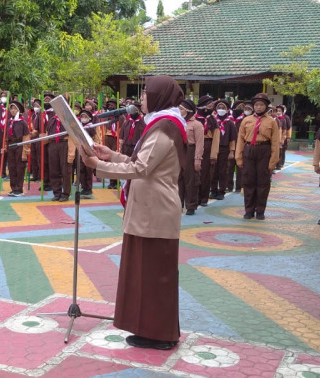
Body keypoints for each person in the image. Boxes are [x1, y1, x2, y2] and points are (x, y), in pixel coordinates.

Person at [81, 75, 186, 351]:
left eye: (146, 93)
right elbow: (140, 162)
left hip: (155, 212)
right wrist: (111, 155)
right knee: (144, 274)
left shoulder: (165, 127)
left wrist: (97, 166)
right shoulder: (160, 124)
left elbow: (141, 168)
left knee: (155, 275)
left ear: (159, 96)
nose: (141, 99)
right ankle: (149, 330)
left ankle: (160, 334)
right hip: (148, 210)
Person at [235, 93, 280, 220]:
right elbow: (240, 140)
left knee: (263, 182)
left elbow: (275, 142)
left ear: (266, 107)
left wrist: (273, 161)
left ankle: (260, 210)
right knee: (248, 181)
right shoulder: (246, 120)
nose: (258, 107)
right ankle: (249, 210)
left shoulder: (272, 122)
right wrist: (238, 157)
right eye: (256, 105)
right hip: (249, 150)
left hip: (264, 150)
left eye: (261, 105)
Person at [178, 99, 203, 215]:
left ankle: (191, 205)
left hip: (190, 151)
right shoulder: (178, 122)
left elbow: (199, 143)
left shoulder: (196, 125)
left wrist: (197, 159)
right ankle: (178, 204)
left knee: (191, 179)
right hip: (179, 151)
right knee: (178, 179)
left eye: (181, 109)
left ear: (188, 111)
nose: (179, 111)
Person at [195, 96, 219, 206]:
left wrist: (213, 154)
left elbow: (216, 138)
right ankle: (195, 197)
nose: (211, 108)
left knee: (206, 174)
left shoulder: (212, 120)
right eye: (209, 106)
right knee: (195, 173)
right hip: (195, 146)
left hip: (208, 145)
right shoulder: (194, 119)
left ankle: (204, 198)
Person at [45, 102, 71, 202]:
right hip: (53, 144)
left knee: (65, 170)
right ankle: (56, 192)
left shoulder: (68, 119)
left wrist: (72, 152)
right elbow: (48, 133)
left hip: (64, 143)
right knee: (54, 170)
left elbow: (72, 136)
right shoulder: (52, 120)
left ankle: (66, 193)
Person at [210, 100, 235, 201]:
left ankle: (221, 191)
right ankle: (213, 190)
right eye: (219, 108)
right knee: (213, 170)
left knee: (223, 171)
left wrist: (232, 151)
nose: (221, 109)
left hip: (225, 148)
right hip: (213, 148)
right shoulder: (212, 121)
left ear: (227, 110)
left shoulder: (230, 123)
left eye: (223, 108)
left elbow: (232, 138)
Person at [4, 100, 28, 196]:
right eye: (11, 109)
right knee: (11, 167)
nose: (13, 110)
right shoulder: (9, 122)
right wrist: (5, 146)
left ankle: (19, 188)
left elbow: (26, 137)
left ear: (19, 110)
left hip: (19, 145)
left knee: (19, 167)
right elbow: (6, 136)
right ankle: (13, 187)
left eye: (15, 109)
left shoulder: (22, 123)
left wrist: (25, 151)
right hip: (11, 145)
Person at [227, 100, 250, 193]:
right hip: (229, 145)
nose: (241, 109)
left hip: (241, 145)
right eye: (239, 107)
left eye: (242, 107)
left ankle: (239, 186)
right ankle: (229, 186)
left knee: (240, 166)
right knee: (229, 166)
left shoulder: (245, 119)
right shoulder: (228, 119)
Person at [77, 110, 96, 197]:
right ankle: (83, 186)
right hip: (81, 149)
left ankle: (89, 188)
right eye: (82, 117)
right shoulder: (79, 126)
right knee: (81, 168)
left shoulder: (91, 127)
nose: (83, 118)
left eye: (85, 117)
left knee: (88, 169)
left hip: (88, 150)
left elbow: (94, 138)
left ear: (89, 118)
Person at [275, 105, 291, 170]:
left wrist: (288, 137)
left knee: (281, 151)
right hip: (274, 139)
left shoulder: (285, 118)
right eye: (277, 111)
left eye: (280, 111)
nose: (278, 112)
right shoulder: (274, 119)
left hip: (282, 138)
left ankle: (280, 164)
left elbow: (288, 128)